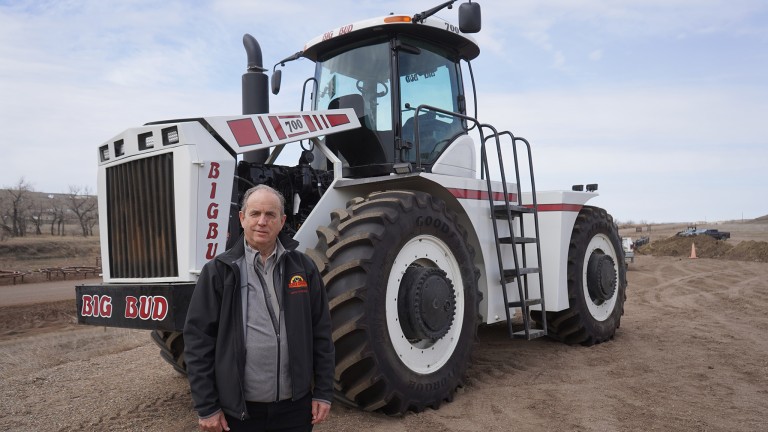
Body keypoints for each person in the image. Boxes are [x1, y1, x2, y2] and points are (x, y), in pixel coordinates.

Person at [184, 184, 335, 432]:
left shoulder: (303, 268)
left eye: (270, 215)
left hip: (295, 410)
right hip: (239, 413)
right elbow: (198, 342)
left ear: (282, 221)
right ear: (242, 218)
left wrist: (323, 392)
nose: (262, 222)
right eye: (255, 214)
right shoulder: (219, 272)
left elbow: (321, 333)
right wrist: (207, 406)